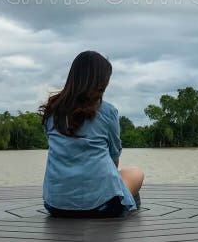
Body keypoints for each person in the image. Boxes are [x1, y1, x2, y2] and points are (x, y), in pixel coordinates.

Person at [39, 50, 144, 218]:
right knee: (136, 173)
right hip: (102, 206)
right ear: (101, 82)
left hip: (55, 205)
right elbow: (114, 158)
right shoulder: (107, 111)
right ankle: (126, 203)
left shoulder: (52, 111)